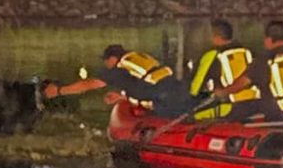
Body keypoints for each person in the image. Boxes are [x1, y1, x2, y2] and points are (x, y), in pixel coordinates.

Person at [44, 45, 192, 117]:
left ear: (113, 59)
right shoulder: (139, 58)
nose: (106, 65)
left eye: (106, 61)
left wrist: (59, 91)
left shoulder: (119, 68)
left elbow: (89, 84)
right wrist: (122, 97)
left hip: (166, 103)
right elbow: (147, 84)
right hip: (181, 93)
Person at [214, 20, 283, 120]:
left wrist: (222, 92)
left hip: (279, 116)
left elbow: (242, 84)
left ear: (269, 40)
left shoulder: (263, 61)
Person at [188, 19, 260, 118]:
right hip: (255, 104)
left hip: (229, 108)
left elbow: (195, 89)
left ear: (215, 37)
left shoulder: (211, 55)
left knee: (192, 117)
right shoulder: (249, 52)